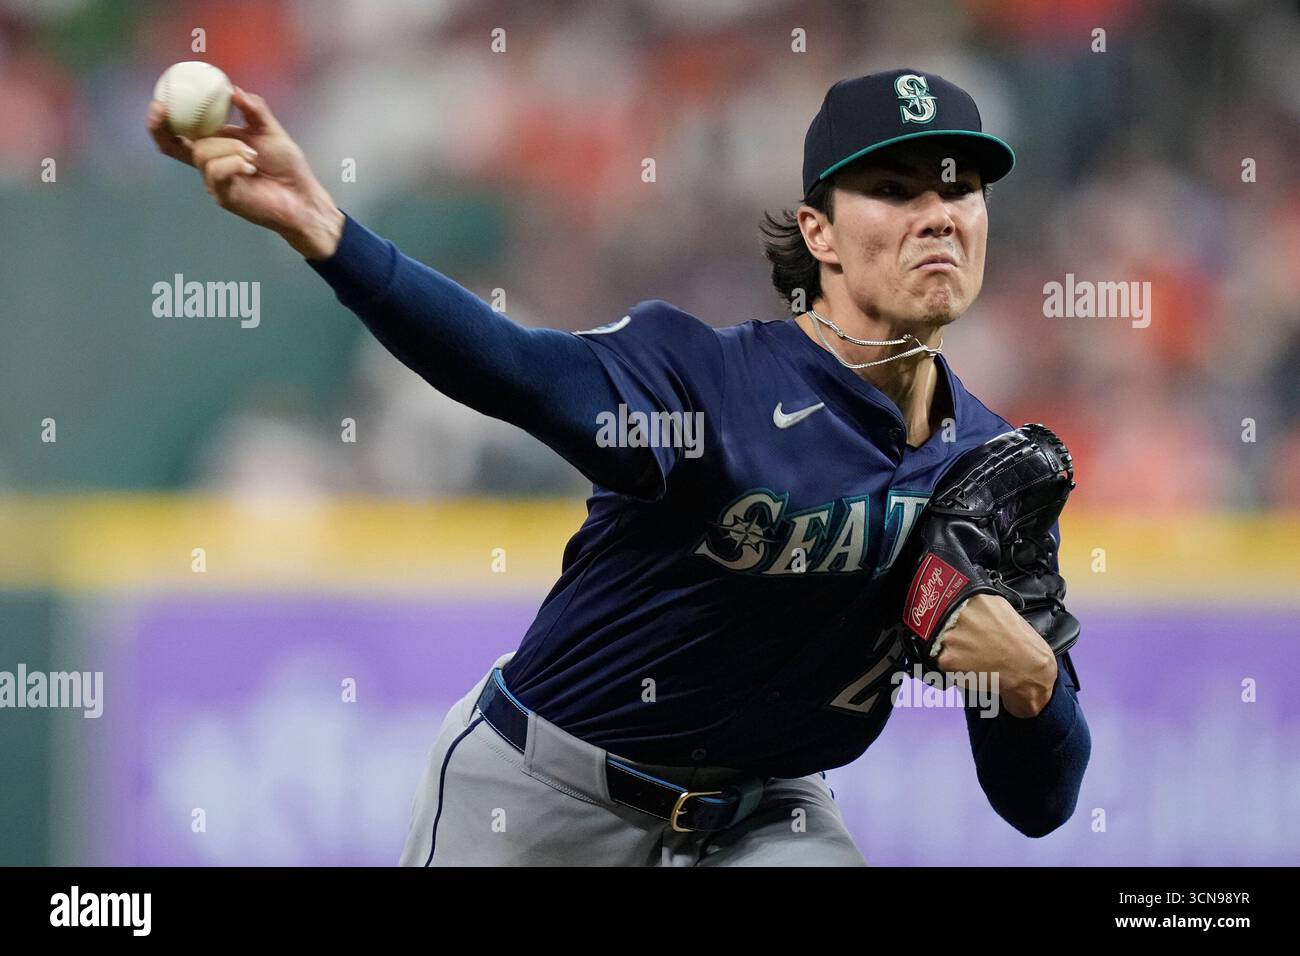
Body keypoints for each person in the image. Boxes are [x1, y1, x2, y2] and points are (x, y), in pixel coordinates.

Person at [148, 68, 1090, 866]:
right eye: (894, 189)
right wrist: (327, 231)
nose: (937, 216)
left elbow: (1037, 805)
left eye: (958, 188)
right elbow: (519, 372)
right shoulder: (708, 380)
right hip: (545, 791)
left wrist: (1033, 686)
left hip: (765, 819)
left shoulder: (991, 473)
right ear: (819, 234)